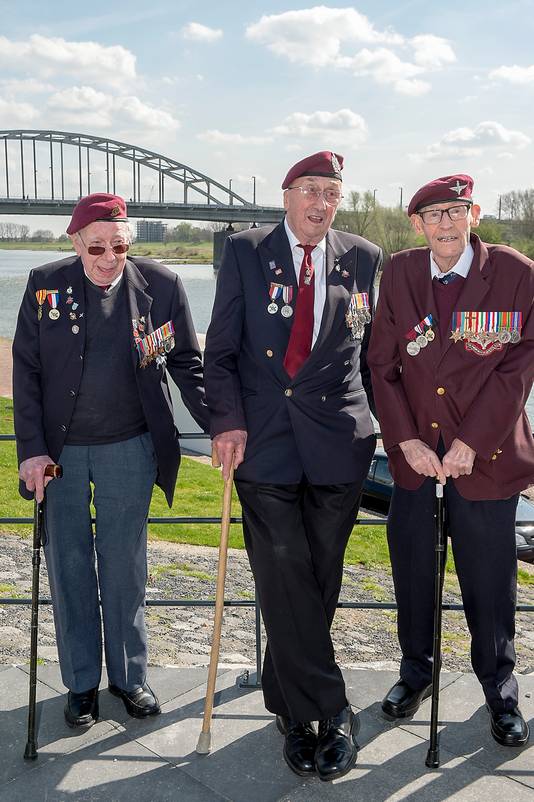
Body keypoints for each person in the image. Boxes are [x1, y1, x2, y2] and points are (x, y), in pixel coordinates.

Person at [204, 151, 382, 780]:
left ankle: (287, 703)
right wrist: (224, 421)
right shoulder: (247, 252)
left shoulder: (362, 256)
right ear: (286, 194)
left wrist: (389, 429)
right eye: (309, 189)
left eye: (331, 192)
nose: (319, 203)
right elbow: (218, 351)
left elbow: (367, 355)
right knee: (282, 567)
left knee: (320, 579)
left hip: (339, 443)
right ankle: (332, 711)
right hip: (266, 445)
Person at [13, 193, 209, 729]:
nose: (107, 258)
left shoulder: (162, 286)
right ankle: (80, 683)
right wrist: (31, 451)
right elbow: (26, 372)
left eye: (118, 247)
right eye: (95, 246)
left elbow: (187, 364)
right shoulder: (44, 283)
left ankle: (129, 677)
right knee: (69, 566)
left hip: (132, 445)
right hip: (60, 454)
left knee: (125, 565)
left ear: (131, 244)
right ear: (75, 241)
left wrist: (223, 425)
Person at [368, 174, 534, 747]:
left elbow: (517, 368)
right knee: (414, 575)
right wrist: (406, 441)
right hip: (416, 464)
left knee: (490, 585)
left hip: (485, 464)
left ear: (474, 215)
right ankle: (416, 674)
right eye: (433, 214)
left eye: (454, 212)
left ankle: (500, 692)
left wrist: (472, 443)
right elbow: (382, 365)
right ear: (418, 224)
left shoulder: (514, 273)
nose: (444, 223)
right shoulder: (401, 273)